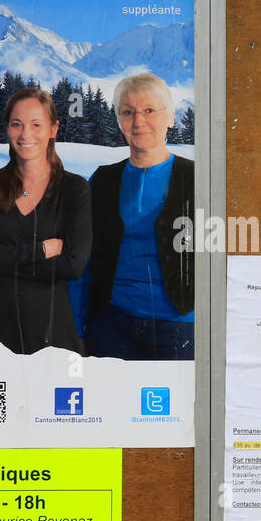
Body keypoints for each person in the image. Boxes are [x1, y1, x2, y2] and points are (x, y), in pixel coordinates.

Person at [0, 88, 91, 354]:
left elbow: (73, 265)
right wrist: (42, 250)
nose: (25, 135)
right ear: (7, 128)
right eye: (16, 125)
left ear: (54, 129)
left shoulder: (74, 188)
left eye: (36, 125)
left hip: (51, 328)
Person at [81, 73, 194, 360]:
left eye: (149, 111)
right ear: (118, 120)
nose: (138, 121)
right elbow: (85, 262)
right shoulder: (103, 180)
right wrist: (77, 327)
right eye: (128, 112)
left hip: (181, 328)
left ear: (170, 117)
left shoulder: (198, 179)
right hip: (110, 325)